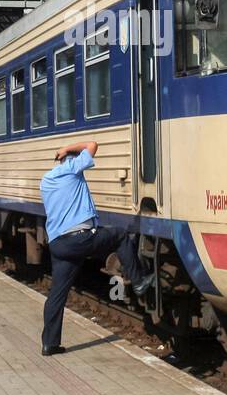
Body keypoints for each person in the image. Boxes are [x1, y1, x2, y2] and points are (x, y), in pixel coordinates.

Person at [39, 140, 154, 356]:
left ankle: (49, 344)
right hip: (79, 239)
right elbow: (92, 144)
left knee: (56, 295)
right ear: (72, 161)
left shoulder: (45, 181)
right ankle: (138, 281)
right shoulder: (72, 170)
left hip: (58, 244)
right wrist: (67, 148)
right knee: (119, 236)